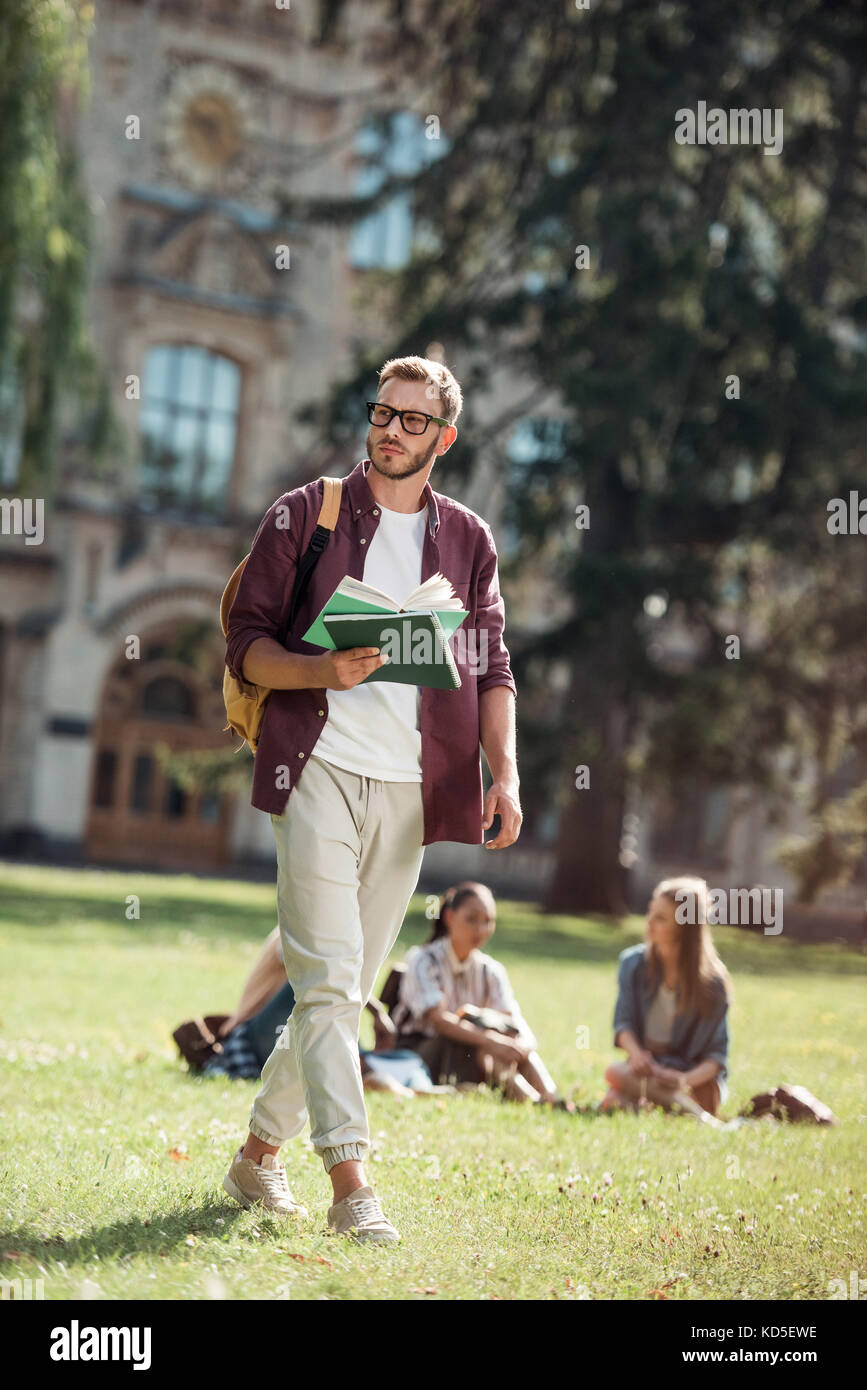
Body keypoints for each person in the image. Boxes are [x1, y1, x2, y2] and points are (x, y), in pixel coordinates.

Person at [220, 356, 521, 1243]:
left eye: (411, 421)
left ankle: (253, 1161)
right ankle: (352, 1184)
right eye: (380, 414)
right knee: (324, 981)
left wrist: (503, 773)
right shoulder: (305, 512)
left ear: (444, 438)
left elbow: (492, 666)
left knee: (342, 990)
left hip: (410, 790)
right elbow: (246, 648)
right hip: (315, 768)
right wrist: (323, 668)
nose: (390, 431)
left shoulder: (467, 539)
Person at [194, 926, 444, 1097]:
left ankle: (416, 1088)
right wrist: (376, 1011)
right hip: (259, 1035)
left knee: (408, 1059)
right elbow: (316, 974)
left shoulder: (334, 936)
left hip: (303, 1035)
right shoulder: (295, 928)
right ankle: (367, 1075)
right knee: (309, 981)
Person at [391, 881, 566, 1105]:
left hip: (475, 1053)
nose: (480, 930)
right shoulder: (424, 960)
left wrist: (522, 1046)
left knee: (505, 1040)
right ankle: (531, 1101)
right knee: (484, 1038)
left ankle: (552, 1099)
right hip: (424, 1055)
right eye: (472, 919)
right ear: (450, 918)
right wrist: (490, 1040)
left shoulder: (490, 970)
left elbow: (514, 1021)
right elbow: (439, 1021)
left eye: (488, 921)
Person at [602, 876, 732, 1117]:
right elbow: (623, 1025)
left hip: (692, 1079)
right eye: (651, 912)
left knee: (620, 1097)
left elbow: (716, 1057)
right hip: (647, 1072)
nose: (649, 922)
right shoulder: (632, 964)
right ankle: (689, 1114)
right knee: (615, 1074)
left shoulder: (713, 982)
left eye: (661, 918)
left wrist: (683, 1079)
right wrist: (638, 1056)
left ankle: (689, 1112)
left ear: (685, 930)